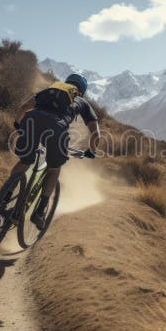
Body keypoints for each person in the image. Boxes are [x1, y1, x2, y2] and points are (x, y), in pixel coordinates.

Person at [11, 73, 99, 230]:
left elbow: (24, 107)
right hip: (57, 129)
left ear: (66, 84)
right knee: (54, 169)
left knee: (24, 161)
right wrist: (91, 151)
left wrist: (18, 124)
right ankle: (39, 212)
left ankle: (4, 197)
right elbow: (95, 133)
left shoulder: (50, 91)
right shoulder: (81, 101)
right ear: (82, 91)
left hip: (32, 120)